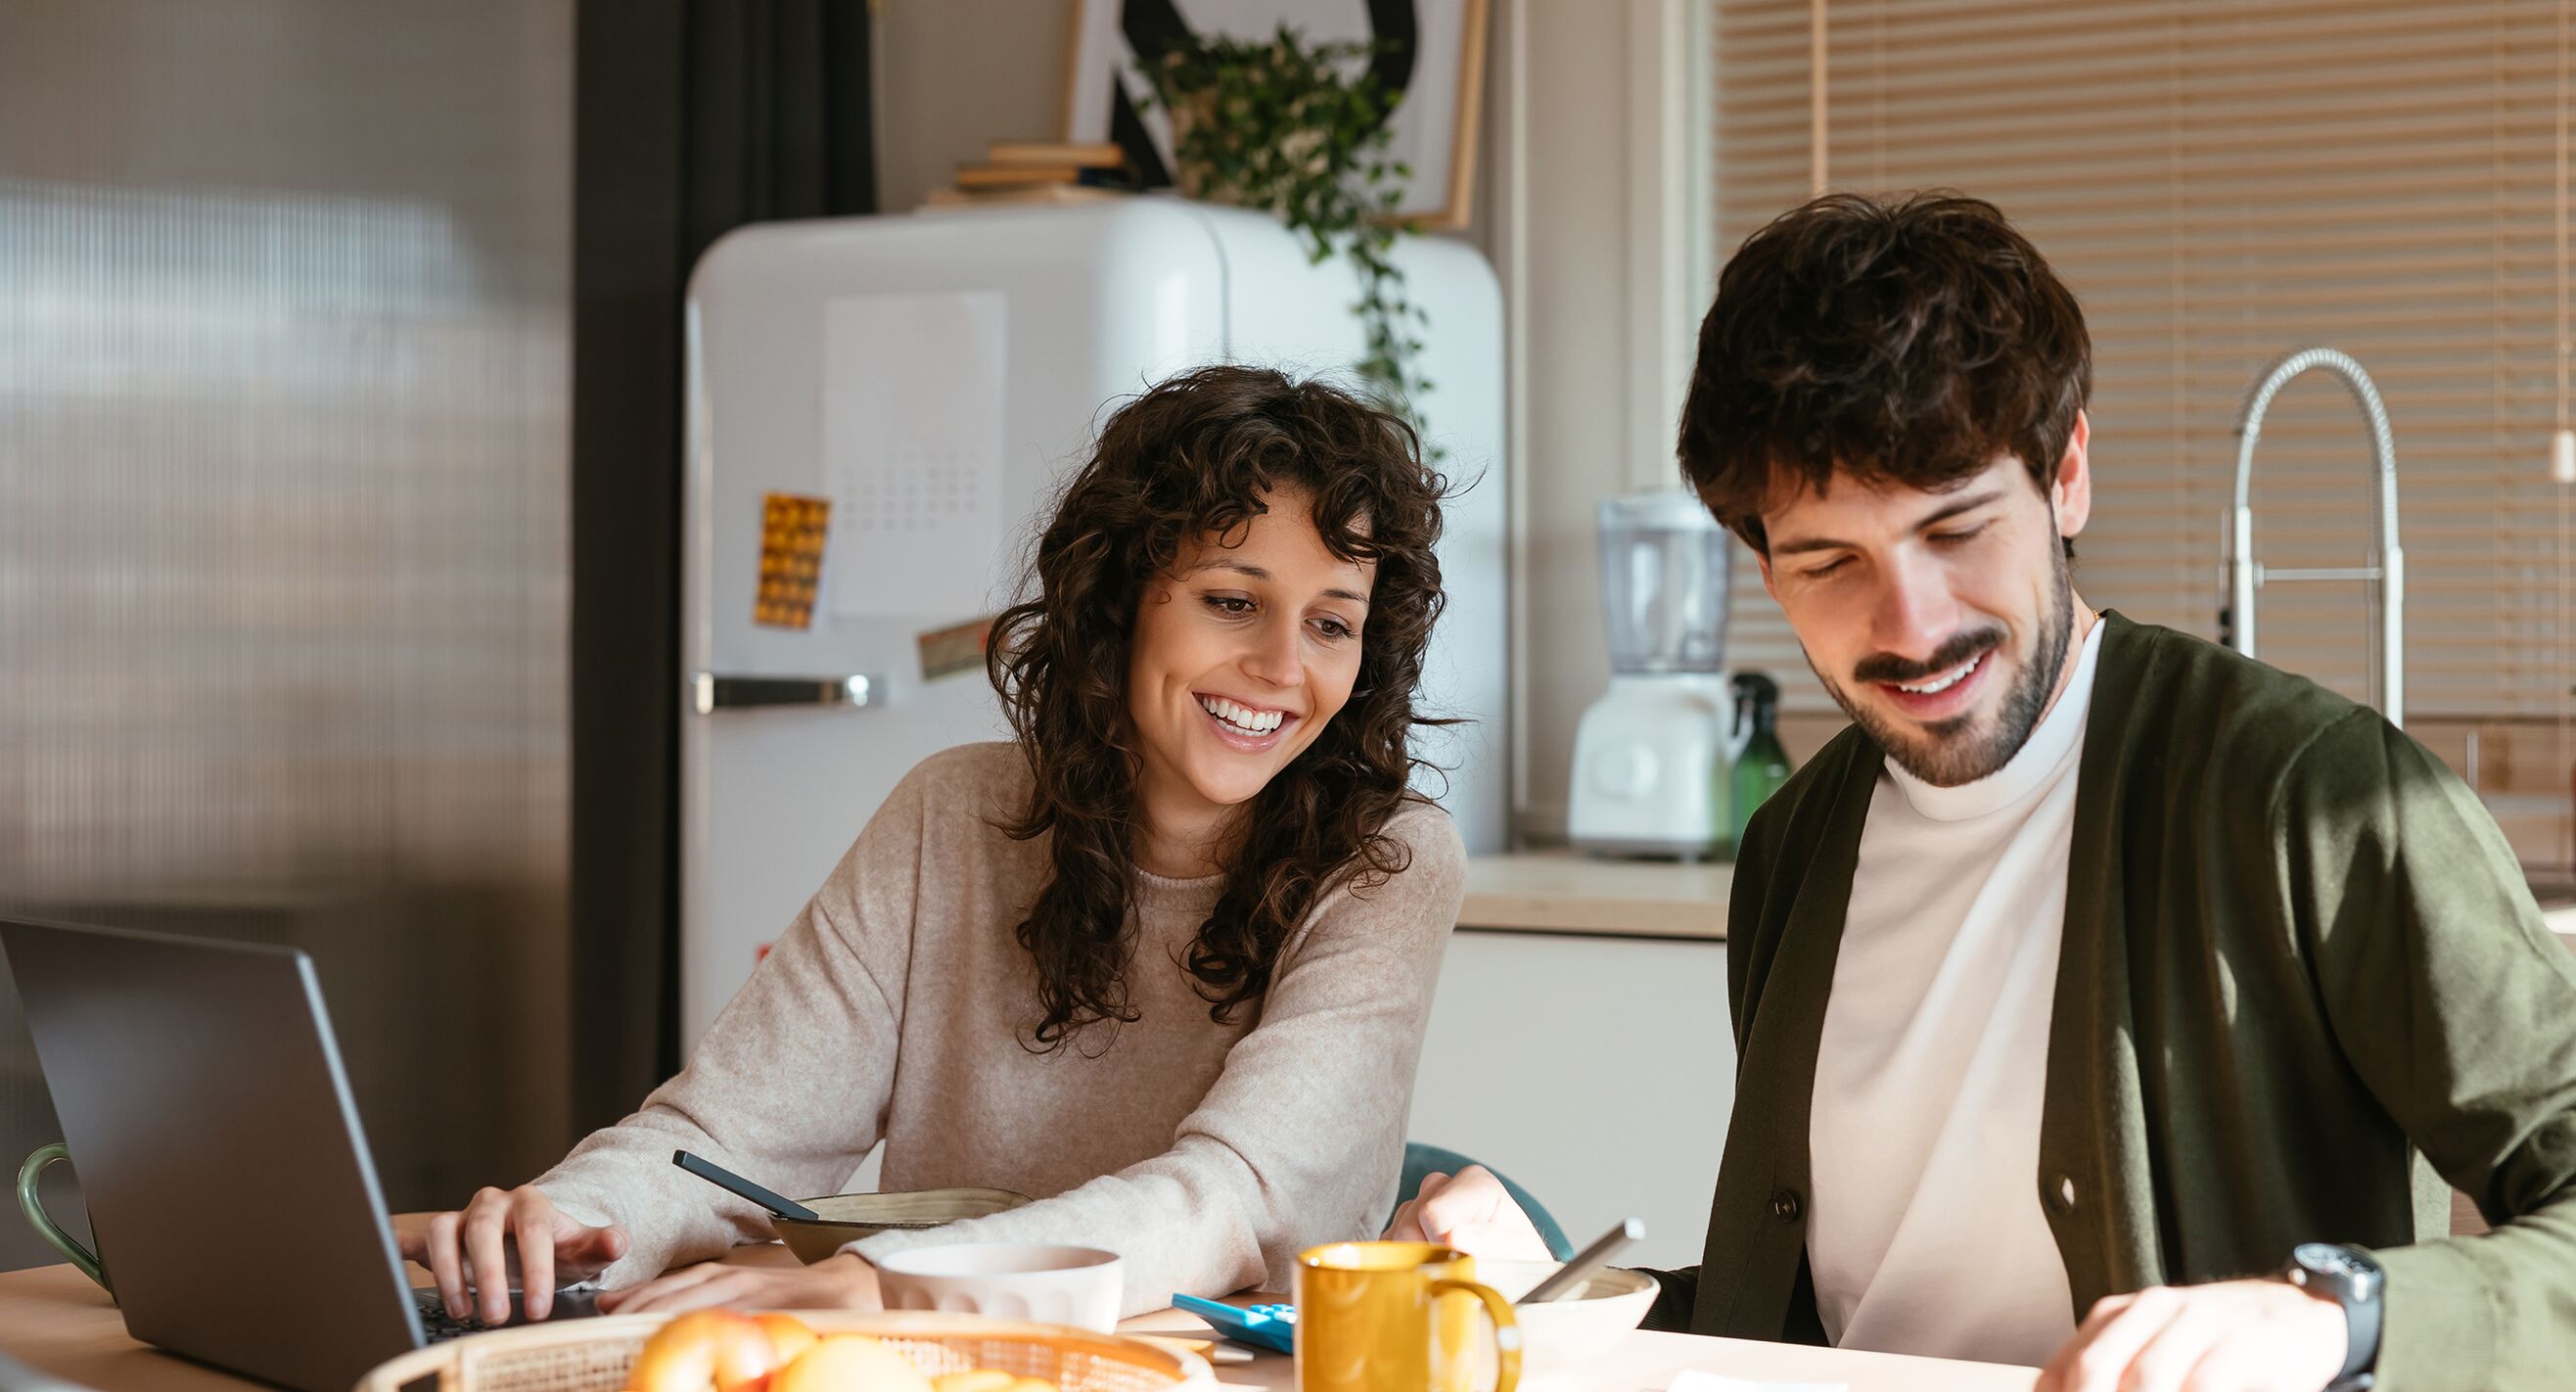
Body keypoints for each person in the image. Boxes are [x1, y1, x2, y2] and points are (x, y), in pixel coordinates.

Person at [1391, 193, 2576, 1392]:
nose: (1910, 626)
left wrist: (2335, 1319)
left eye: (1955, 528)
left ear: (2064, 479)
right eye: (1829, 562)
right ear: (1761, 565)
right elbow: (1837, 1328)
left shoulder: (2319, 803)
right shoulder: (1794, 849)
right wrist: (1551, 1295)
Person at [407, 363, 1469, 1324]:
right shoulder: (951, 812)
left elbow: (1232, 1203)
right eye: (1233, 602)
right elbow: (727, 1137)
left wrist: (889, 1283)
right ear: (1119, 606)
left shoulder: (1387, 864)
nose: (1284, 666)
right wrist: (564, 1218)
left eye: (1331, 623)